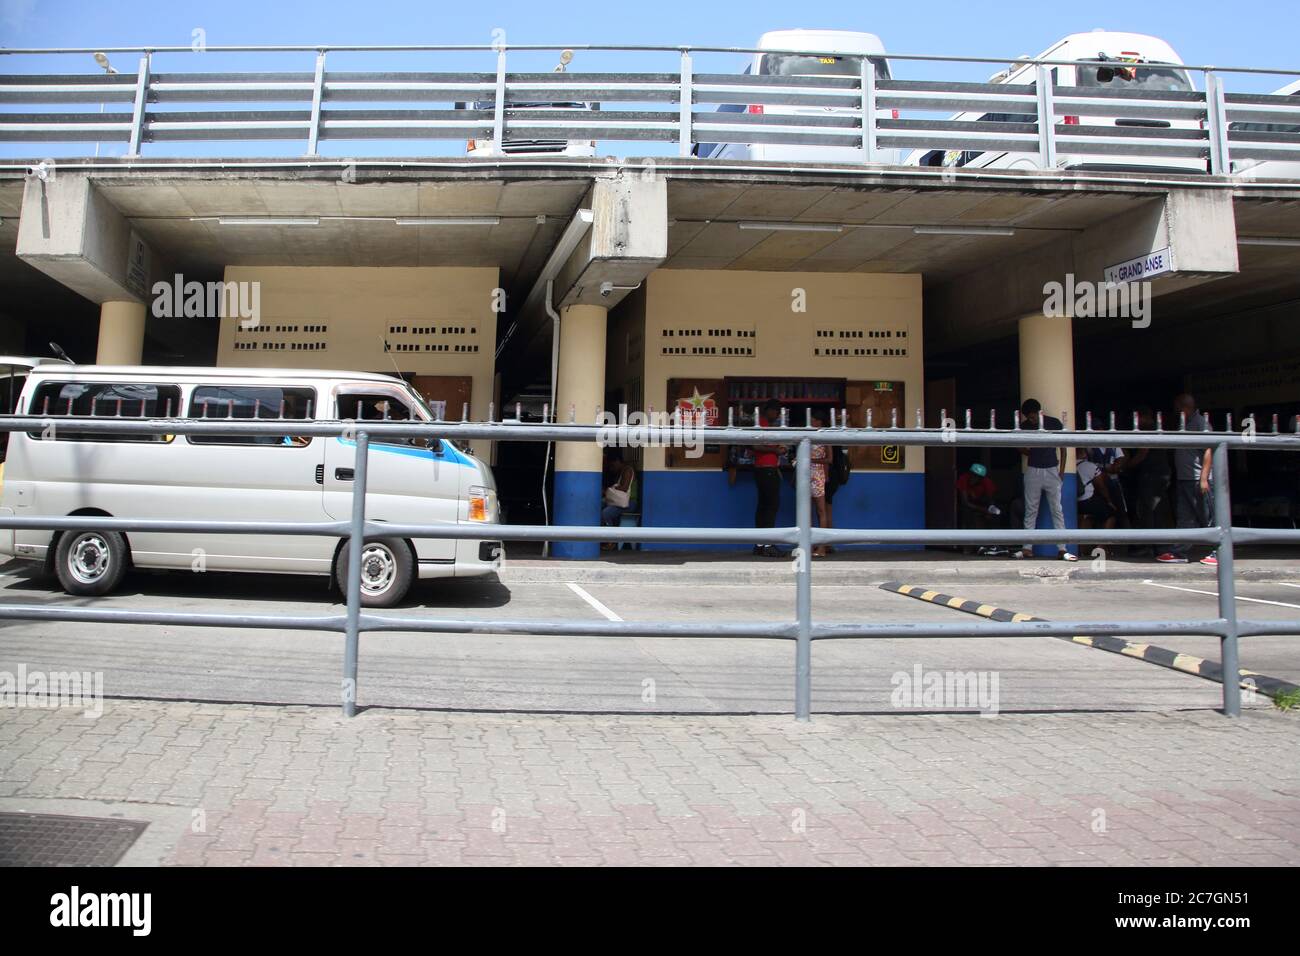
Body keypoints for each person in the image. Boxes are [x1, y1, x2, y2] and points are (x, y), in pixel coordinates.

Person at [1016, 398, 1076, 561]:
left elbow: (1063, 447)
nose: (1031, 420)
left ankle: (1062, 549)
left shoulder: (1054, 423)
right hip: (1033, 470)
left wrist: (1062, 471)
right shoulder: (1025, 426)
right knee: (1031, 510)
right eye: (1028, 417)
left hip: (1052, 470)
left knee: (1057, 509)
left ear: (1039, 412)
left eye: (1033, 416)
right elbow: (1018, 446)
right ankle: (1027, 548)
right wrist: (1033, 453)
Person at [1157, 393, 1213, 565]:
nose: (1175, 412)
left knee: (1209, 516)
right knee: (1185, 517)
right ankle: (1179, 552)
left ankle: (1219, 552)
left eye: (1177, 408)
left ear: (1184, 407)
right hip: (1185, 479)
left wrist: (1203, 478)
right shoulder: (1186, 423)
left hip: (1198, 479)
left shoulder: (1200, 423)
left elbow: (1209, 450)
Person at [1125, 406, 1172, 556]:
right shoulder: (1157, 429)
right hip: (1159, 474)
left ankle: (1150, 546)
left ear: (1144, 417)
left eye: (1137, 418)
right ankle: (1157, 546)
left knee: (1149, 510)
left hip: (1152, 475)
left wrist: (1128, 465)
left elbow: (1142, 452)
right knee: (1156, 510)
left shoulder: (1149, 429)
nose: (1135, 422)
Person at [751, 401, 784, 556]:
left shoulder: (766, 425)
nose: (777, 415)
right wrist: (776, 451)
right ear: (769, 410)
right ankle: (768, 545)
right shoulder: (762, 425)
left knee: (763, 507)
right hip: (766, 471)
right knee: (770, 507)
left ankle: (760, 544)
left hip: (765, 471)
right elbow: (755, 446)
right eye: (776, 411)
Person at [956, 462, 1006, 555]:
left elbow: (991, 500)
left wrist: (990, 511)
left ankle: (995, 544)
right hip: (969, 507)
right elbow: (965, 502)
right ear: (970, 474)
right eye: (973, 475)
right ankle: (973, 546)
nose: (974, 478)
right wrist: (983, 510)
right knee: (970, 516)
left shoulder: (987, 482)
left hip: (983, 504)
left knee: (996, 516)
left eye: (977, 477)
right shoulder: (964, 479)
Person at [1076, 447, 1120, 530]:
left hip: (1075, 502)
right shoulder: (1090, 466)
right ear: (1084, 453)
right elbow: (1101, 487)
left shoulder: (1071, 466)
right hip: (1087, 501)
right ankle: (1103, 542)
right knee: (1111, 514)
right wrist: (1109, 501)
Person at [600, 449, 636, 550]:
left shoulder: (628, 470)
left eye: (612, 465)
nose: (612, 468)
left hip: (629, 503)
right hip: (621, 502)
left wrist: (611, 489)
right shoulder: (620, 472)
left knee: (606, 513)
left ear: (617, 461)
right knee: (601, 504)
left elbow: (624, 488)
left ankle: (612, 540)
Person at [809, 411, 831, 557]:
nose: (810, 422)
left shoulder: (825, 437)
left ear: (819, 422)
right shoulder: (808, 436)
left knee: (820, 510)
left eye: (813, 420)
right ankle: (809, 546)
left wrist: (810, 460)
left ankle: (822, 547)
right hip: (806, 475)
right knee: (806, 512)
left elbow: (830, 459)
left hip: (817, 474)